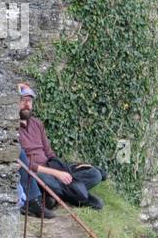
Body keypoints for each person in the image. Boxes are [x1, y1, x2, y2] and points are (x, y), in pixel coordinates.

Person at [17, 83, 106, 211]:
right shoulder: (12, 129)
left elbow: (49, 153)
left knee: (95, 174)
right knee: (44, 179)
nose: (27, 105)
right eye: (23, 100)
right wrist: (57, 173)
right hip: (36, 173)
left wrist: (64, 169)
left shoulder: (37, 123)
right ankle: (83, 198)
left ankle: (57, 196)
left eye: (29, 101)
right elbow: (25, 164)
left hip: (51, 166)